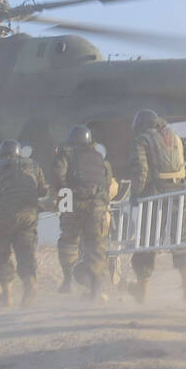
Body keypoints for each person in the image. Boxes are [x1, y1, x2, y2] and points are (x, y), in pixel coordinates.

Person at [128, 109, 186, 302]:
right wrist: (184, 179)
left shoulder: (142, 140)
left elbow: (141, 169)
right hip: (181, 193)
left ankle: (142, 288)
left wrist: (136, 193)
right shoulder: (177, 138)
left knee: (147, 240)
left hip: (156, 195)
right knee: (180, 238)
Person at [53, 125, 115, 300]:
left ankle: (68, 280)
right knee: (96, 246)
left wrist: (64, 196)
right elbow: (107, 181)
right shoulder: (99, 157)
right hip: (97, 205)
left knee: (68, 242)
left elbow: (58, 177)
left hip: (72, 201)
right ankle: (95, 289)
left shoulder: (65, 155)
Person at [0, 140, 48, 306]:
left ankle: (7, 294)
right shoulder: (33, 164)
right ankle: (30, 284)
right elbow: (42, 190)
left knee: (0, 250)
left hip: (6, 212)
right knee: (26, 250)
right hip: (30, 212)